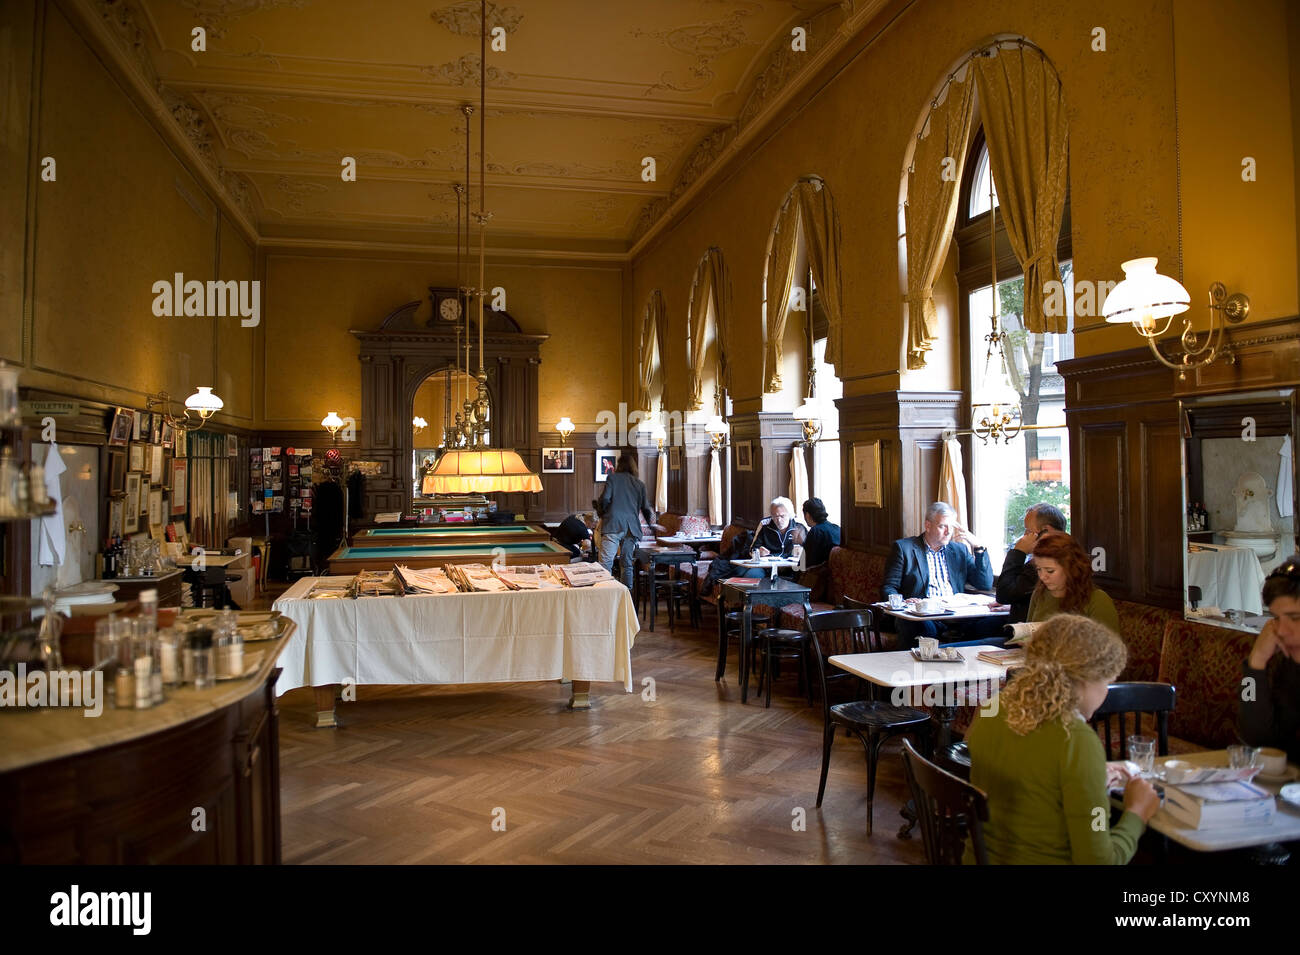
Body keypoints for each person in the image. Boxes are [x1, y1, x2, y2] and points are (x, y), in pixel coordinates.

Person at [965, 614, 1160, 864]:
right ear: (1084, 681)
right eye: (1107, 682)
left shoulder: (994, 709)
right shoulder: (1076, 740)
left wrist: (1087, 778)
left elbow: (1034, 780)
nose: (1105, 694)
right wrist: (1137, 813)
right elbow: (1098, 861)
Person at [882, 502, 994, 648]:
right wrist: (904, 602)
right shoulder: (904, 548)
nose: (948, 532)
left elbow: (984, 584)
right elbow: (889, 587)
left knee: (994, 624)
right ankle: (922, 668)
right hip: (923, 617)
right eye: (943, 526)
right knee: (916, 627)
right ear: (927, 526)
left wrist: (979, 548)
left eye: (951, 527)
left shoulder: (959, 550)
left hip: (956, 617)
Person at [1238, 555, 1300, 763]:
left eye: (1294, 618)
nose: (1281, 630)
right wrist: (1255, 664)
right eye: (1276, 618)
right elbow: (1254, 738)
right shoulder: (1288, 665)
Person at [1027, 532, 1120, 634]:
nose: (1042, 577)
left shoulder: (1097, 599)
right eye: (1039, 569)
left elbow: (1109, 647)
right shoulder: (1039, 594)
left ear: (1070, 568)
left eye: (1050, 571)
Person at [996, 503, 1068, 623]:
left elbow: (1004, 594)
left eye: (1028, 531)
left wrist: (1018, 552)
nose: (1024, 536)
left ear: (1046, 531)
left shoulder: (1051, 561)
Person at [597, 451, 654, 590]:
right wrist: (651, 526)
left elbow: (605, 499)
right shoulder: (639, 484)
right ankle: (626, 596)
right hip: (632, 529)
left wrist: (601, 513)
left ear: (619, 465)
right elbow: (646, 508)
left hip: (613, 525)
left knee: (605, 563)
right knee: (626, 563)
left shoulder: (612, 478)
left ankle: (606, 595)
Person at [739, 497, 807, 578]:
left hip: (792, 567)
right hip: (767, 567)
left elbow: (808, 549)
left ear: (790, 515)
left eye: (782, 516)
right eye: (775, 516)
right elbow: (752, 550)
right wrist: (758, 552)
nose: (778, 520)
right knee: (751, 575)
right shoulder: (765, 524)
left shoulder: (799, 525)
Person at [798, 498, 840, 601]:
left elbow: (805, 564)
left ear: (807, 515)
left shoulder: (815, 531)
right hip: (834, 581)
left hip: (817, 583)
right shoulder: (836, 528)